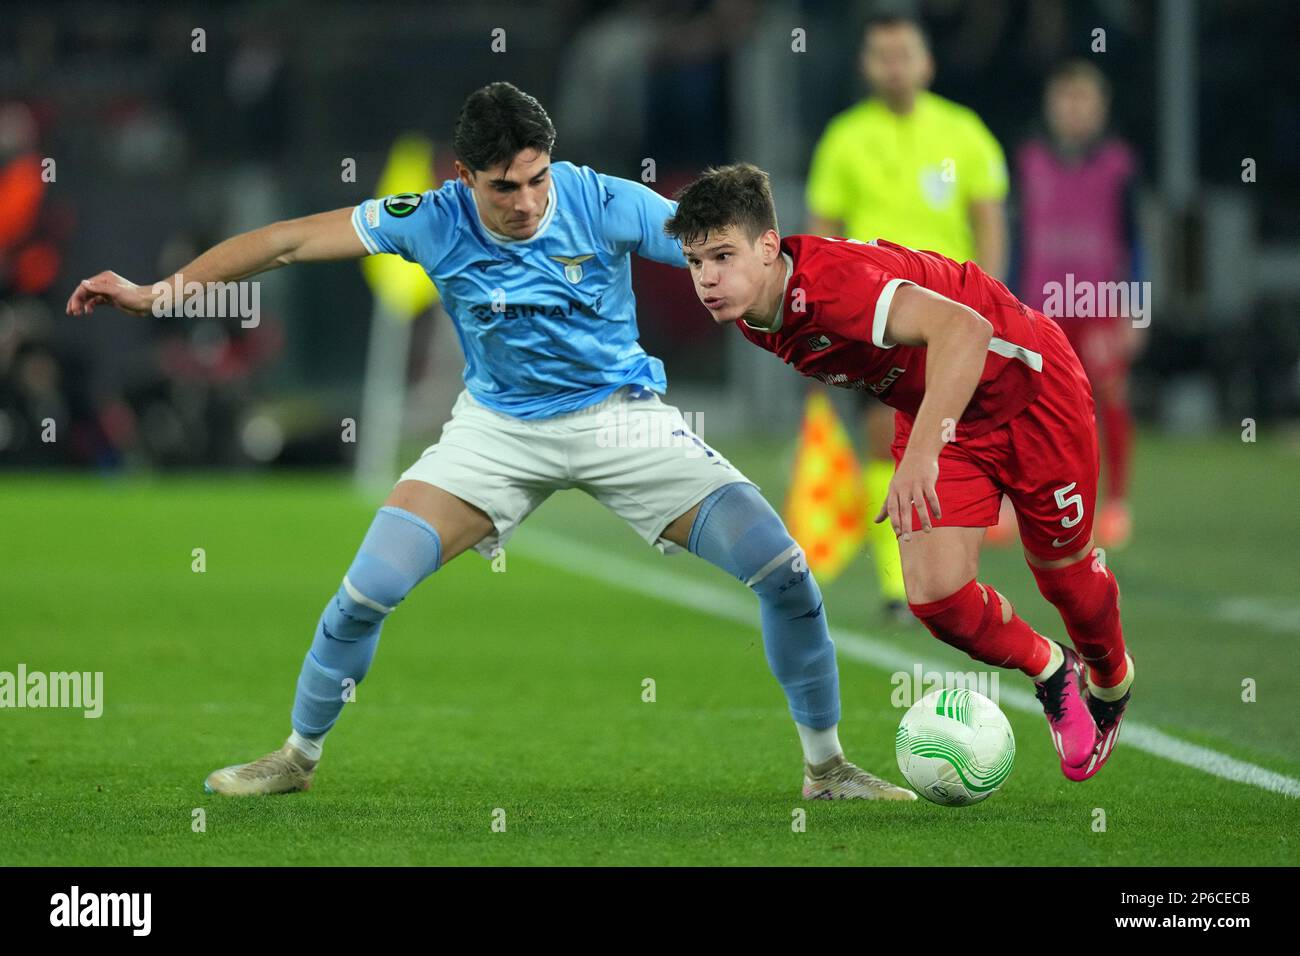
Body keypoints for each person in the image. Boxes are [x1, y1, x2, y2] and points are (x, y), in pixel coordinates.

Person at [66, 83, 914, 802]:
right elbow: (286, 241)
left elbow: (728, 255)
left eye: (538, 179)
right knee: (365, 593)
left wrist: (855, 308)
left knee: (787, 574)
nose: (529, 202)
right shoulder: (428, 218)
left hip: (623, 419)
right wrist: (155, 294)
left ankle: (827, 765)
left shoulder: (604, 199)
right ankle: (297, 756)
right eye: (505, 188)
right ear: (463, 176)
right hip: (499, 431)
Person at [666, 163, 1134, 781]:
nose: (707, 279)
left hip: (1029, 393)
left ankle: (1112, 676)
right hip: (942, 410)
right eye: (696, 262)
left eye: (722, 256)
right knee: (937, 599)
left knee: (1065, 581)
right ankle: (1053, 671)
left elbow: (967, 329)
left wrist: (920, 454)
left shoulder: (832, 285)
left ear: (770, 247)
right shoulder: (757, 315)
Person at [804, 14, 1013, 619]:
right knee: (882, 438)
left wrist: (993, 300)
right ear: (866, 65)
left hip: (955, 316)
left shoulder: (964, 132)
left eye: (904, 54)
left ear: (927, 63)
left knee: (963, 440)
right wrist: (821, 312)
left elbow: (989, 219)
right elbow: (824, 233)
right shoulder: (845, 138)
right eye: (880, 55)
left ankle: (963, 571)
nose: (893, 65)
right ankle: (899, 583)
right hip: (878, 318)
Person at [1015, 60, 1143, 549]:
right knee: (1024, 401)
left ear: (1101, 107)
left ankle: (1116, 504)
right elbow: (1017, 237)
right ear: (1051, 106)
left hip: (1099, 302)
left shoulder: (1119, 165)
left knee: (1109, 398)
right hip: (1039, 304)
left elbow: (1135, 241)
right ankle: (1017, 504)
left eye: (1084, 100)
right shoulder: (1028, 161)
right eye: (1066, 100)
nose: (1074, 111)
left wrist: (1136, 307)